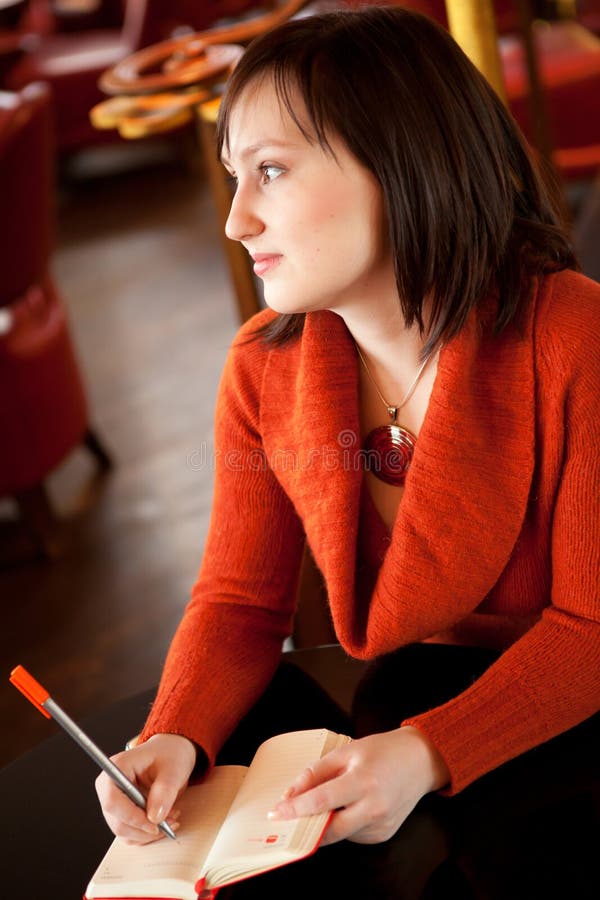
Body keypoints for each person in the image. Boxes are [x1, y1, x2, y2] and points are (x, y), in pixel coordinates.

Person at [96, 6, 600, 847]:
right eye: (234, 176)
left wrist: (430, 751)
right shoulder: (262, 367)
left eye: (271, 171)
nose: (236, 220)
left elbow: (592, 629)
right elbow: (239, 602)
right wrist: (173, 733)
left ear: (403, 162)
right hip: (395, 724)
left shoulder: (574, 338)